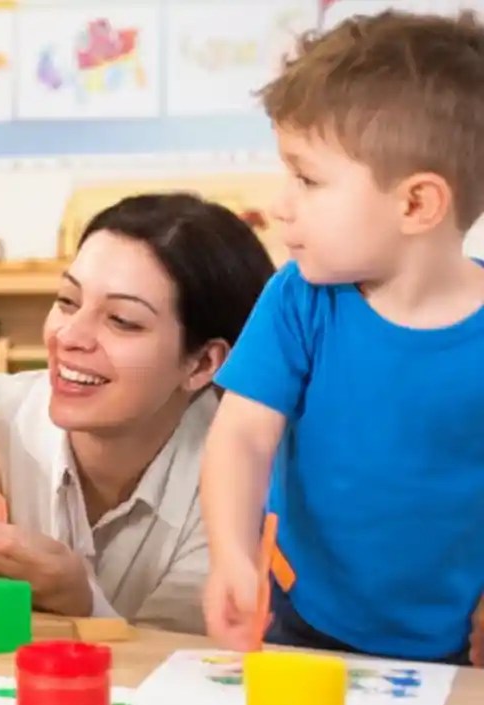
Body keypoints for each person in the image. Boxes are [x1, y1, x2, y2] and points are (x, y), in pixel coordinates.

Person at [201, 10, 484, 665]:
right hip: (303, 615)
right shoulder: (300, 298)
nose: (281, 203)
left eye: (308, 179)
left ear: (416, 204)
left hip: (454, 642)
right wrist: (232, 555)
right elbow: (242, 436)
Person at [0, 193, 276, 634]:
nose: (69, 336)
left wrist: (76, 598)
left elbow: (186, 667)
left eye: (122, 320)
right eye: (67, 301)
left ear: (204, 363)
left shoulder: (239, 481)